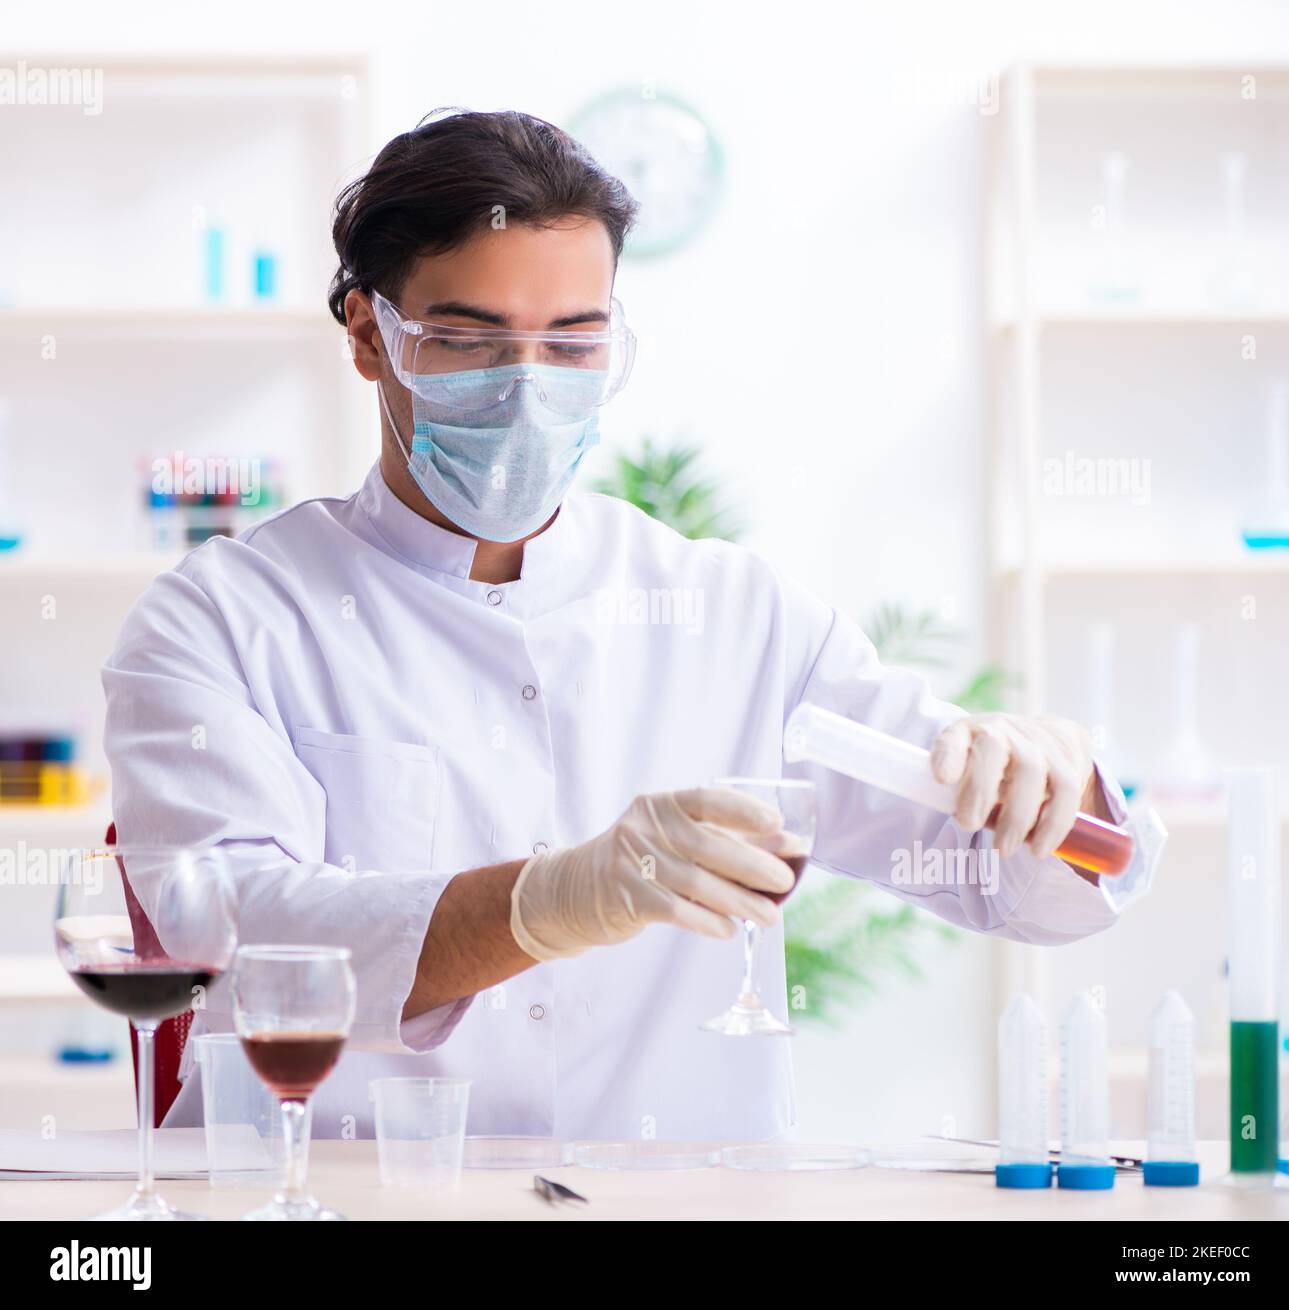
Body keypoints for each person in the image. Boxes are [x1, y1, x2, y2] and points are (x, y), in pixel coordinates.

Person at [103, 109, 1156, 1140]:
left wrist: (1057, 788)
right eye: (468, 340)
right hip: (337, 1196)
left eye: (573, 341)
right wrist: (550, 898)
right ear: (369, 336)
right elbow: (224, 933)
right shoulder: (223, 617)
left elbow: (1012, 879)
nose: (527, 388)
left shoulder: (734, 613)